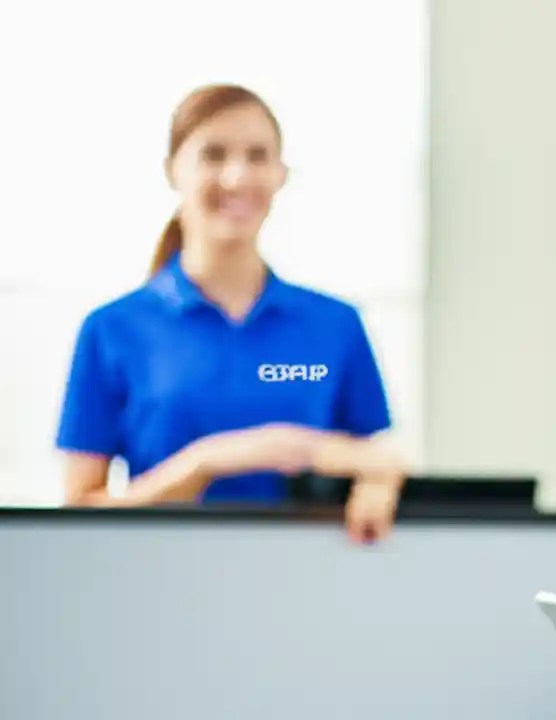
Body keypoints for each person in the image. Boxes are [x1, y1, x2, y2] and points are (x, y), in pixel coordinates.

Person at [56, 83, 405, 543]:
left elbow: (381, 459)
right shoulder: (112, 330)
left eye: (258, 156)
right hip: (161, 586)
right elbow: (78, 516)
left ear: (281, 174)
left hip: (306, 589)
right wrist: (208, 462)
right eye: (214, 155)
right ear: (172, 170)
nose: (237, 177)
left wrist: (379, 481)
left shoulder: (335, 326)